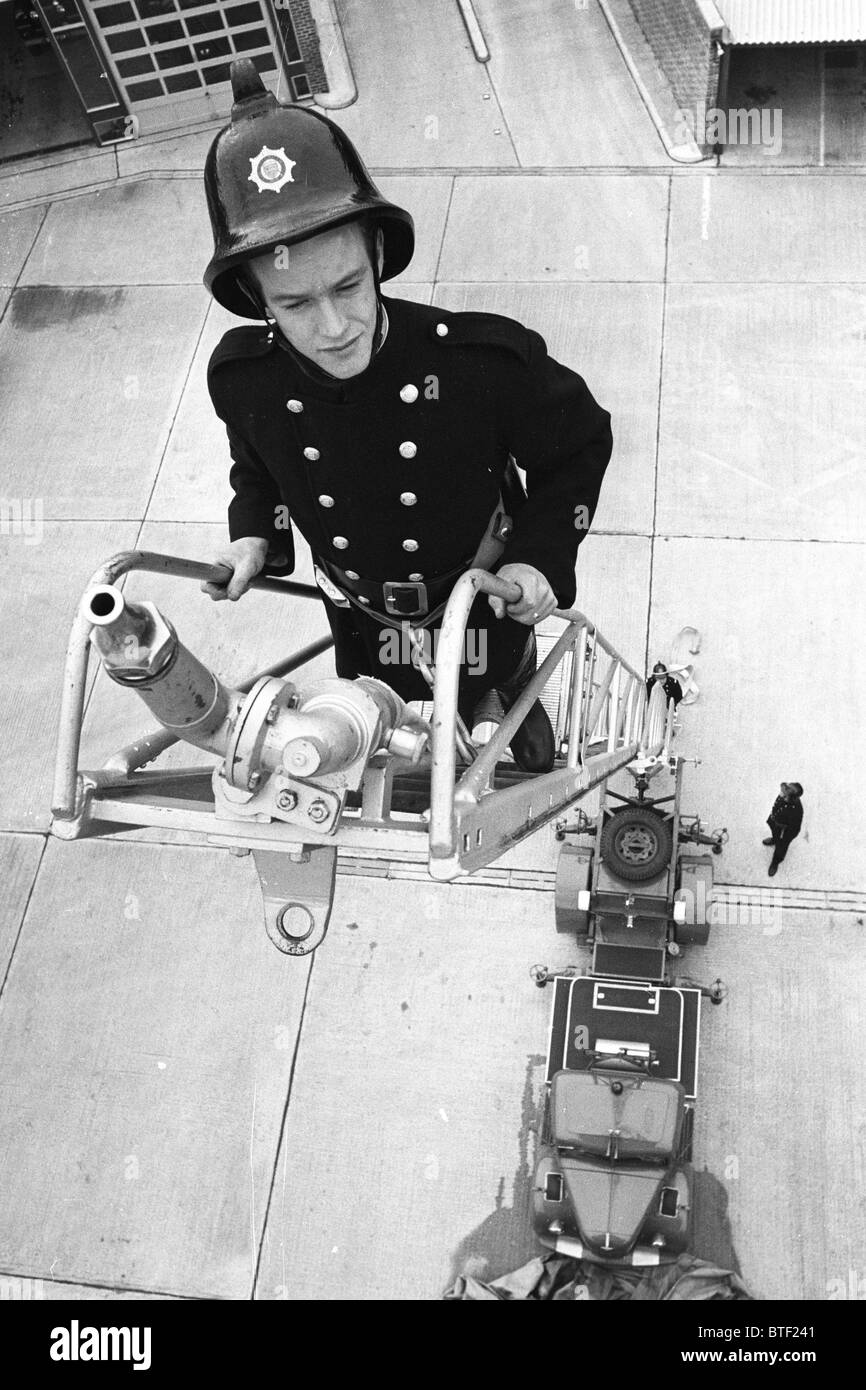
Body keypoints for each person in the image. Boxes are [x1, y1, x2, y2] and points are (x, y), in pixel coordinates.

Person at [200, 61, 613, 774]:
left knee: (490, 668)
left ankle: (507, 699)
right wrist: (253, 539)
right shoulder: (246, 380)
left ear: (379, 253)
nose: (333, 326)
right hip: (361, 606)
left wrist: (543, 554)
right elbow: (257, 464)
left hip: (474, 596)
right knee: (389, 687)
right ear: (254, 296)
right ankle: (410, 717)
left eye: (348, 286)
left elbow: (579, 443)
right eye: (295, 304)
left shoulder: (479, 363)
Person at [763, 782, 804, 877]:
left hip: (785, 831)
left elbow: (794, 829)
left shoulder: (796, 810)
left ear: (791, 797)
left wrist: (784, 838)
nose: (782, 792)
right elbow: (777, 804)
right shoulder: (784, 794)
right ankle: (774, 839)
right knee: (775, 833)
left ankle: (775, 862)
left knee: (781, 848)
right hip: (776, 822)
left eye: (786, 791)